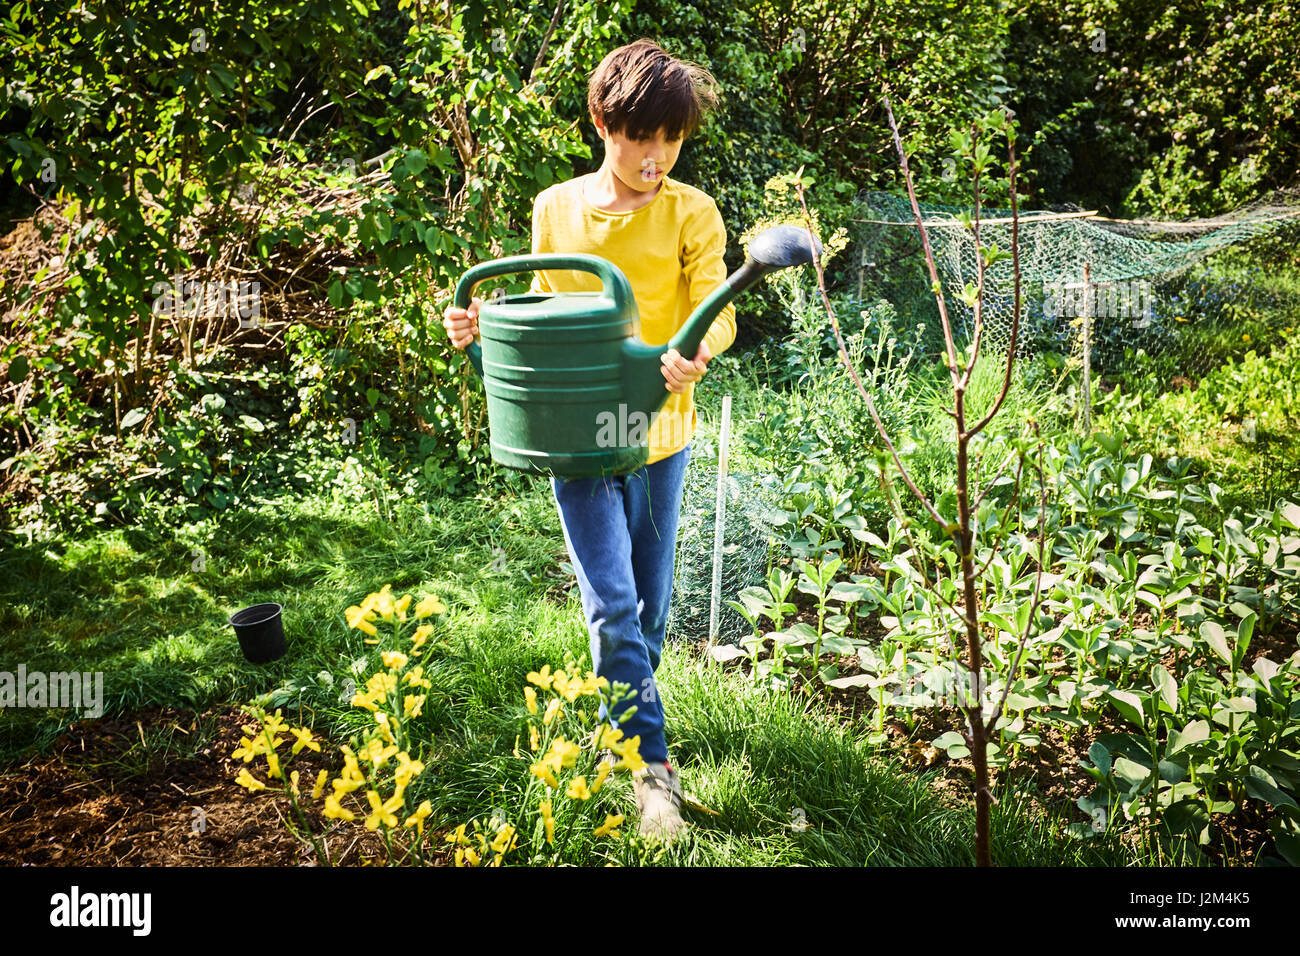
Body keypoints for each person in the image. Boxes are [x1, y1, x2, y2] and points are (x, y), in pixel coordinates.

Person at [443, 38, 735, 841]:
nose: (658, 157)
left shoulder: (692, 212)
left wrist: (697, 347)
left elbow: (719, 306)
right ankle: (653, 772)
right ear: (604, 124)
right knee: (612, 607)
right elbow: (541, 308)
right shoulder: (555, 208)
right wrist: (479, 323)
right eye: (643, 137)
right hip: (577, 438)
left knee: (650, 609)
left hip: (659, 431)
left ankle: (619, 730)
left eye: (672, 140)